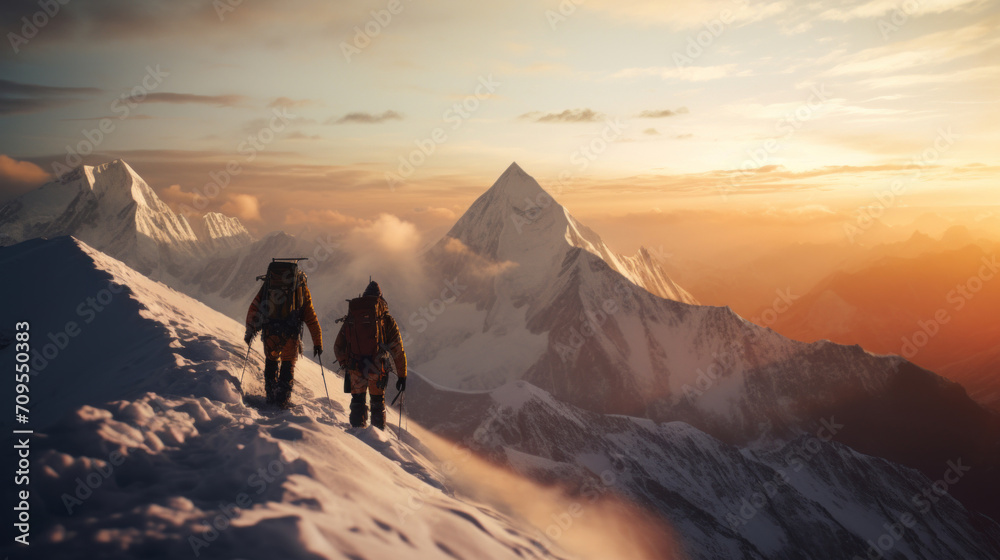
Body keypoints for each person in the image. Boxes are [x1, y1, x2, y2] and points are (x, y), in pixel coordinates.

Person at [245, 260, 322, 407]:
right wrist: (318, 342)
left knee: (271, 362)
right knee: (287, 366)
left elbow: (255, 306)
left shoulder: (269, 283)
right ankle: (282, 401)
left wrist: (250, 331)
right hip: (291, 335)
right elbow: (311, 317)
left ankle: (270, 395)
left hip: (270, 332)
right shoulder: (300, 286)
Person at [334, 280, 407, 429]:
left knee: (357, 402)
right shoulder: (386, 320)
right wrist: (402, 375)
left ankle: (357, 435)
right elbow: (397, 350)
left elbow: (338, 346)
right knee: (377, 403)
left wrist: (345, 363)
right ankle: (376, 440)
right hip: (376, 368)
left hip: (355, 366)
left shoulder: (353, 316)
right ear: (381, 299)